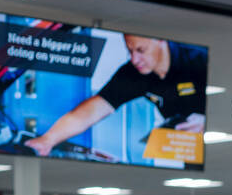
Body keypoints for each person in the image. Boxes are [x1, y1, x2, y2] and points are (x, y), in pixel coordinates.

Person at [24, 33, 206, 159]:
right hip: (187, 146)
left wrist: (207, 121)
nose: (135, 59)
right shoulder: (133, 73)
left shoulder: (198, 58)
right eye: (130, 51)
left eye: (141, 50)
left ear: (161, 41)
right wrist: (48, 139)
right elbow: (93, 109)